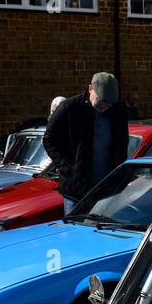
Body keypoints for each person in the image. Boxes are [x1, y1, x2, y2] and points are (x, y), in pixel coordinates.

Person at [44, 72, 130, 214]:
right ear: (90, 88)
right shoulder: (69, 108)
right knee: (76, 231)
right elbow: (49, 140)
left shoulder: (117, 111)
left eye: (109, 102)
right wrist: (68, 168)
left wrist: (119, 176)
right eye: (101, 100)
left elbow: (122, 145)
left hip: (107, 191)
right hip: (77, 190)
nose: (105, 106)